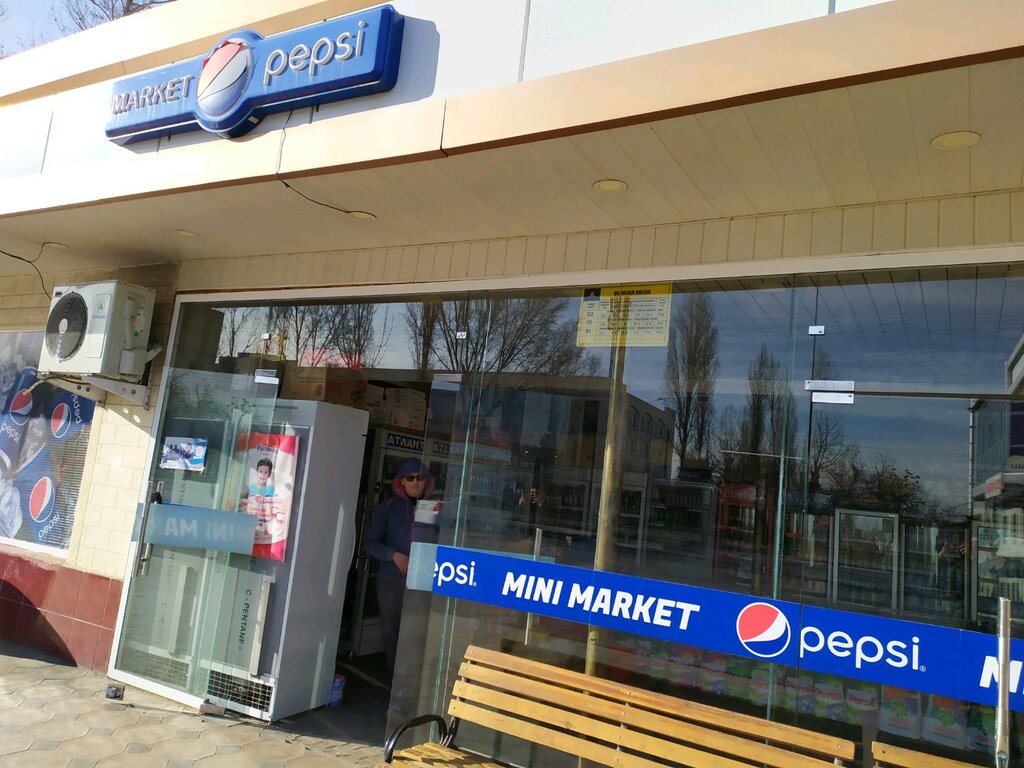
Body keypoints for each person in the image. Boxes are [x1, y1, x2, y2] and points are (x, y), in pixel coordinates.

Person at [364, 458, 434, 681]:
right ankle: (395, 682)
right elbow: (370, 542)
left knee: (416, 632)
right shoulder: (389, 507)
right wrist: (393, 555)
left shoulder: (435, 509)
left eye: (420, 478)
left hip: (422, 581)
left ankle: (414, 682)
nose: (416, 482)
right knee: (392, 632)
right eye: (410, 478)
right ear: (401, 481)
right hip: (391, 580)